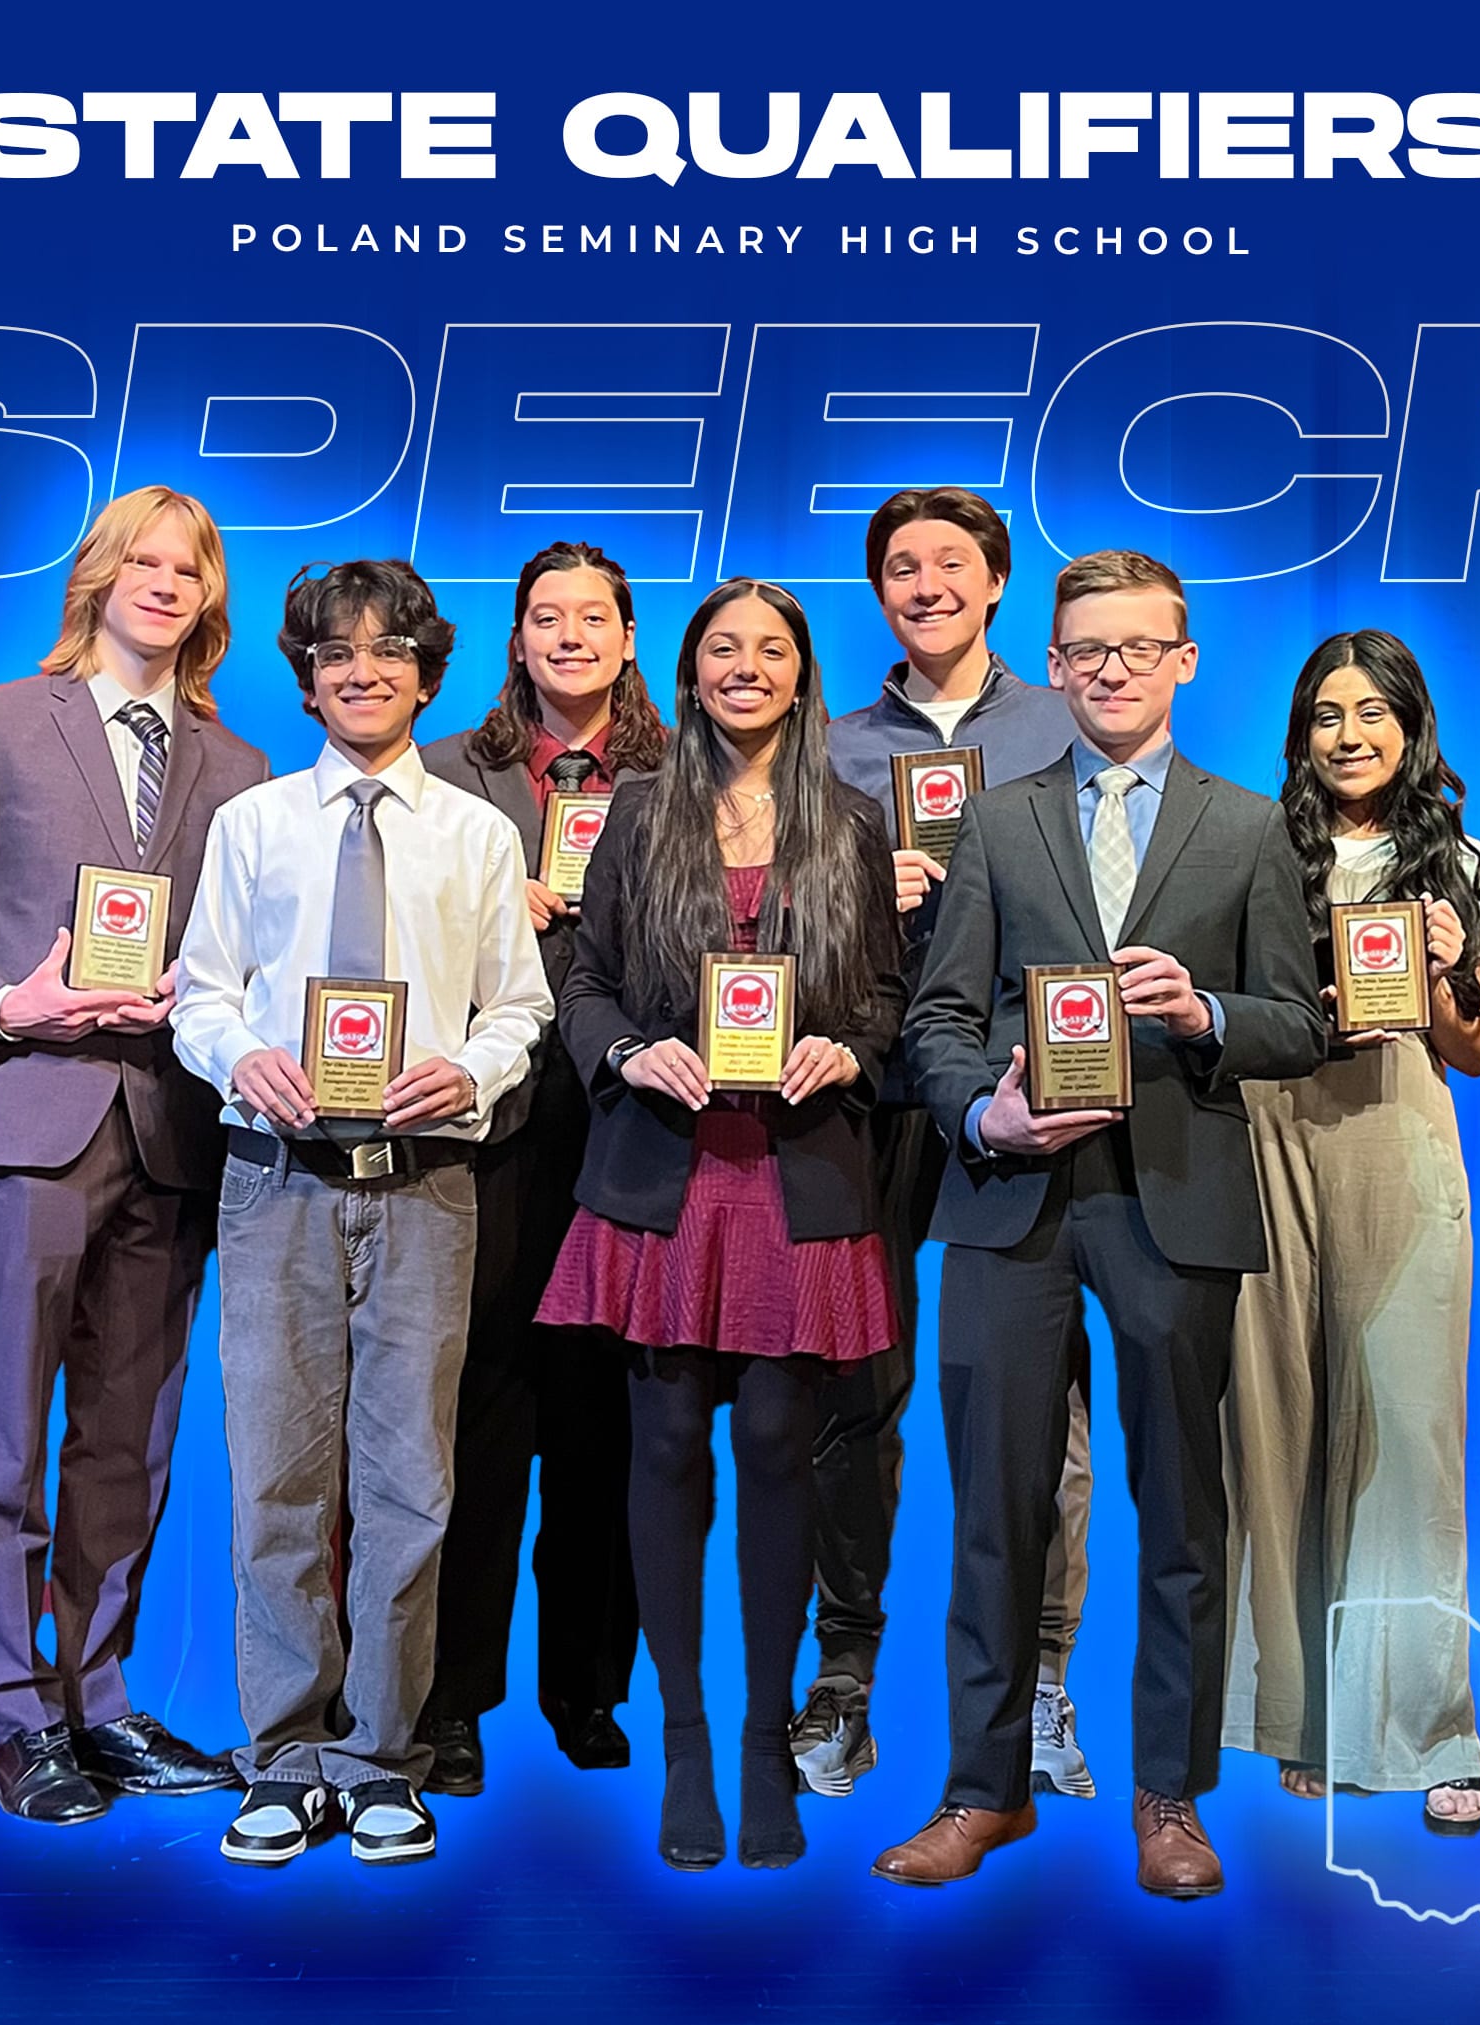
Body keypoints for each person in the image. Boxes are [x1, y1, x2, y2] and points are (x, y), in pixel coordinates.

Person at [874, 550, 1324, 1897]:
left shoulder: (1246, 830)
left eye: (1137, 647)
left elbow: (1299, 1025)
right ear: (1054, 665)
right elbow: (937, 1022)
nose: (1111, 669)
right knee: (993, 1512)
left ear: (1184, 662)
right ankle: (980, 1790)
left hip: (1176, 1204)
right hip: (1009, 1205)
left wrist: (1203, 1017)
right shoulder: (998, 825)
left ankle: (1170, 1798)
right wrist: (979, 1117)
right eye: (1086, 650)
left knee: (1184, 1513)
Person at [0, 486, 268, 1824]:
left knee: (128, 1444)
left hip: (170, 1134)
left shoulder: (237, 765)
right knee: (4, 1435)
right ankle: (16, 1718)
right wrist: (10, 1002)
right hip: (24, 1121)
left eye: (189, 569)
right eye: (142, 562)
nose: (165, 585)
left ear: (209, 599)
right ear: (96, 578)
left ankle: (98, 1704)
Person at [172, 559, 553, 1867]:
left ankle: (384, 1755)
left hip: (426, 1186)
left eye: (388, 651)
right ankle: (281, 1754)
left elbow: (521, 1006)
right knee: (278, 1474)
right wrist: (240, 1058)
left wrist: (476, 1065)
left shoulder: (477, 836)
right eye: (335, 653)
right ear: (307, 676)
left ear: (427, 675)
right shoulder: (257, 824)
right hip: (274, 1182)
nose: (361, 670)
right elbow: (200, 994)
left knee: (409, 1483)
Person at [538, 578, 904, 1872]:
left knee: (772, 1450)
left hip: (796, 1182)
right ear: (688, 673)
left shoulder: (851, 824)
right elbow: (582, 978)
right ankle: (685, 1740)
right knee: (664, 1450)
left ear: (802, 678)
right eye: (721, 649)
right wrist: (629, 1053)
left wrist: (845, 1058)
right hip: (662, 1179)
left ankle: (764, 1741)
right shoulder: (637, 814)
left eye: (771, 651)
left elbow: (887, 1009)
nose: (745, 667)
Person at [808, 486, 1097, 1803]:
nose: (924, 584)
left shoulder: (1060, 720)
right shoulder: (825, 744)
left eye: (949, 564)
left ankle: (1039, 1687)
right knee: (848, 1395)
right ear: (878, 594)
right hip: (867, 1088)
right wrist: (863, 898)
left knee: (1037, 1408)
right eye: (899, 568)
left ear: (994, 586)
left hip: (1015, 1084)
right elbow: (776, 933)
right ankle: (844, 1684)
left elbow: (1119, 883)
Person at [1222, 629, 1480, 1834]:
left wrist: (1449, 973)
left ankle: (1425, 1733)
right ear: (1300, 734)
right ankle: (1305, 1718)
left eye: (1371, 713)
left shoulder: (1465, 863)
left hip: (1397, 1148)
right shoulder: (1252, 848)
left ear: (1412, 727)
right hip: (1264, 1144)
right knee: (1277, 1430)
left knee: (1408, 1442)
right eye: (1326, 715)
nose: (1348, 736)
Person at [415, 542, 663, 1793]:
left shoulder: (685, 777)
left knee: (605, 1410)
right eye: (544, 618)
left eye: (593, 618)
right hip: (488, 1126)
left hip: (631, 1123)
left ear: (629, 638)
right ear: (515, 640)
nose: (569, 636)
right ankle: (454, 1694)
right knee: (479, 1405)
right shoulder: (450, 773)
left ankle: (588, 1686)